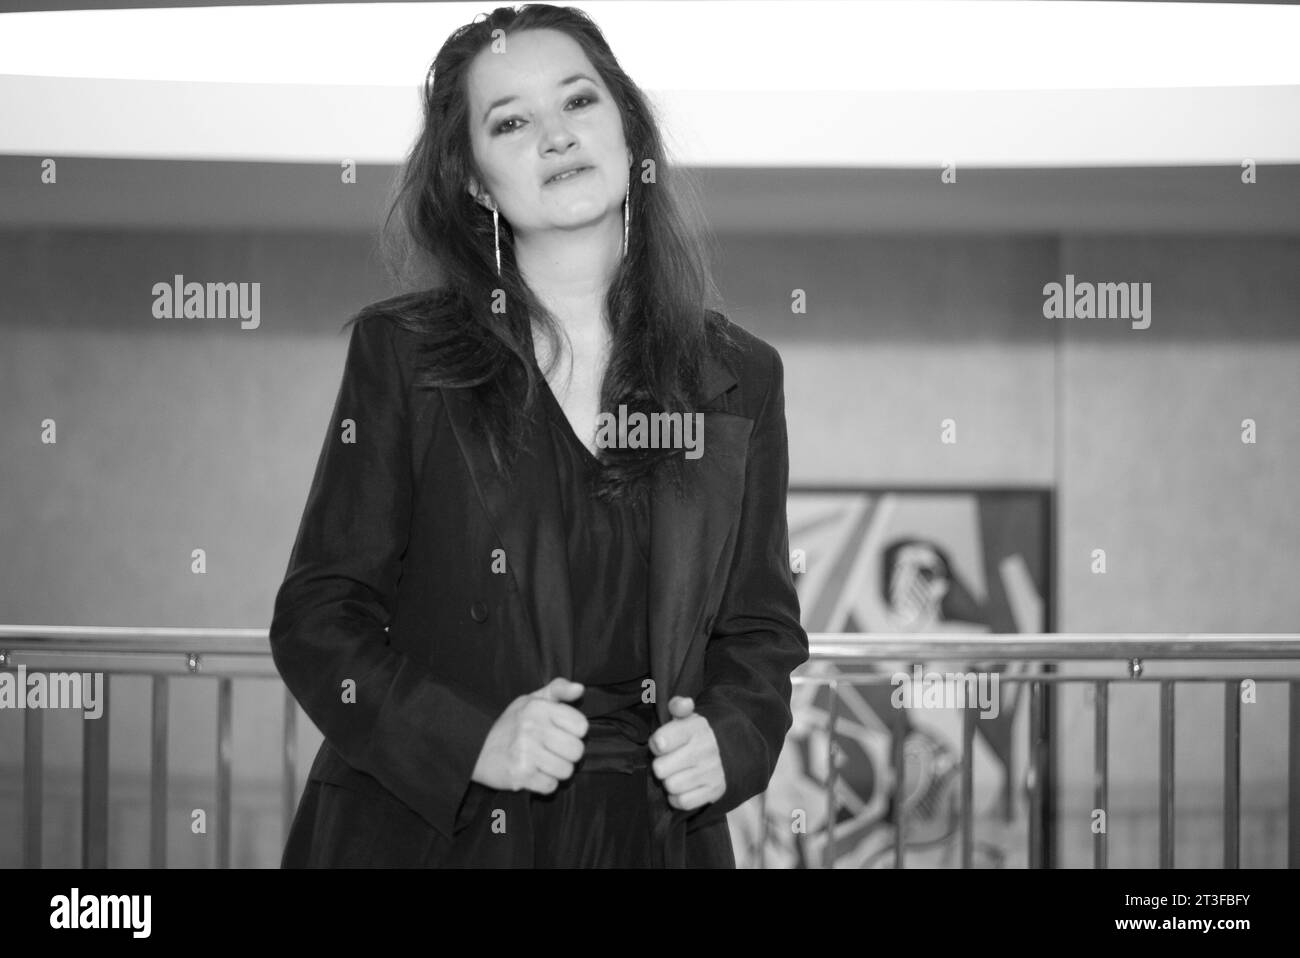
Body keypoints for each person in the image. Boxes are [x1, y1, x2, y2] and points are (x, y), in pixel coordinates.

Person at [269, 3, 808, 868]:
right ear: (475, 181)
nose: (556, 136)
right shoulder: (402, 353)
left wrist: (731, 740)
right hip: (436, 829)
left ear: (629, 131)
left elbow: (759, 632)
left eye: (580, 102)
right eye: (511, 121)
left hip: (652, 833)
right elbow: (317, 617)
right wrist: (471, 739)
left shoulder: (740, 373)